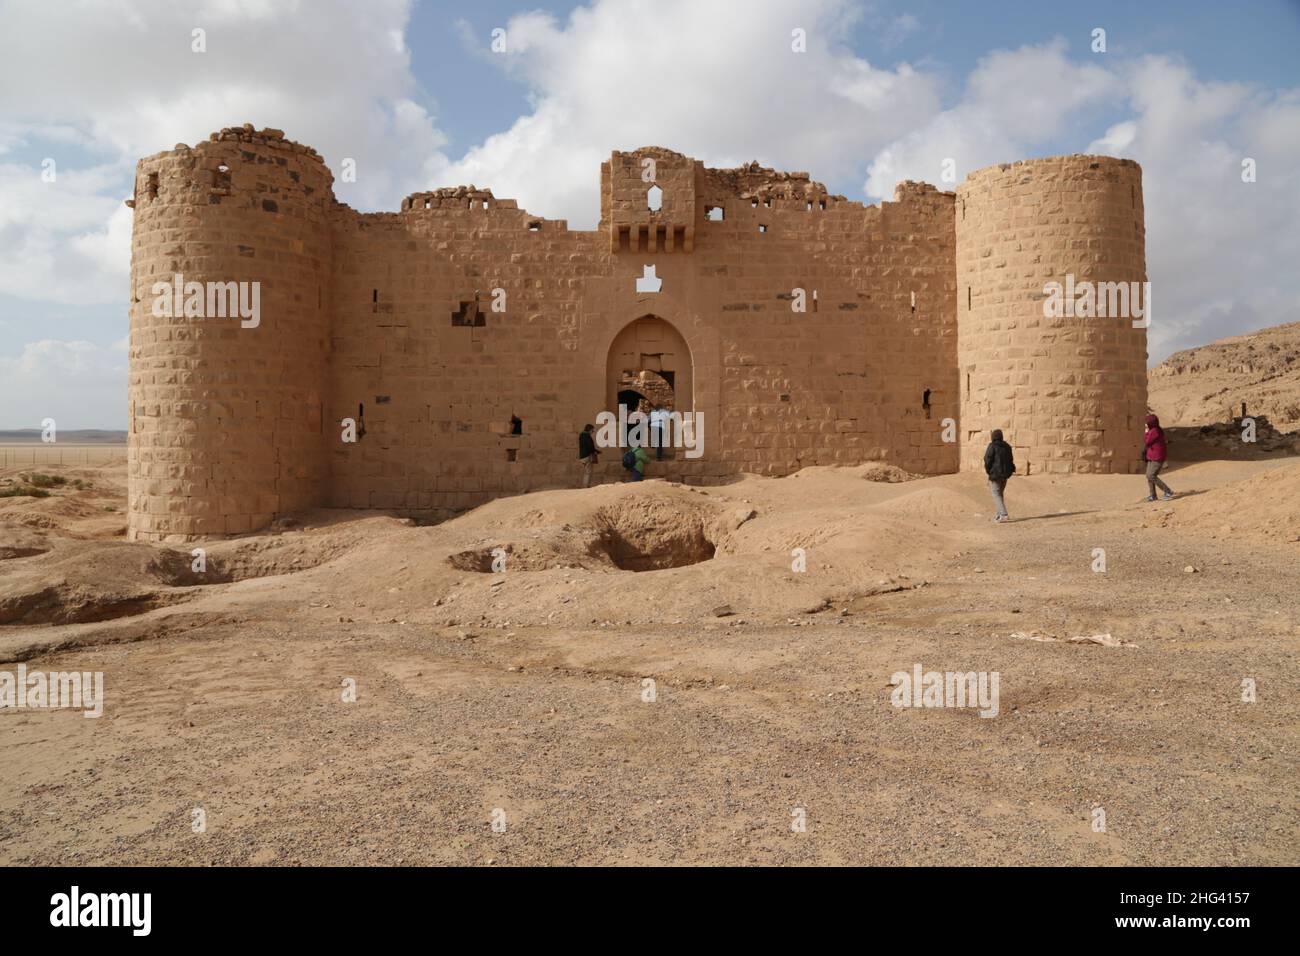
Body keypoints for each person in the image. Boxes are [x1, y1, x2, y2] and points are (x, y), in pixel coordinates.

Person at [983, 428, 1015, 522]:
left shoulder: (992, 446)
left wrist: (989, 471)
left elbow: (987, 459)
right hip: (1005, 475)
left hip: (995, 475)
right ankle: (999, 514)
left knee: (996, 494)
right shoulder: (1007, 446)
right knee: (999, 494)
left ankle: (1004, 514)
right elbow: (1010, 460)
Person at [1142, 413, 1175, 501]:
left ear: (1151, 423)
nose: (1145, 424)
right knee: (1149, 476)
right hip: (1152, 456)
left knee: (1151, 475)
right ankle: (1153, 495)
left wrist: (1146, 432)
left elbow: (1147, 442)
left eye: (1147, 422)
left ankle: (1168, 491)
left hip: (1157, 457)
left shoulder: (1155, 431)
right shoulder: (1154, 430)